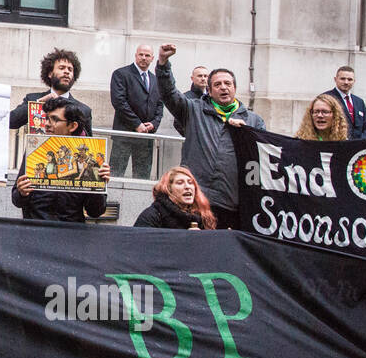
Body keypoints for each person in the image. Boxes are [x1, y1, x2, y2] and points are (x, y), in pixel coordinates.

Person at [156, 44, 265, 230]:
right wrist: (163, 64)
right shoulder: (193, 110)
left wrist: (247, 134)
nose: (223, 88)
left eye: (227, 84)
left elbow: (262, 158)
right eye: (217, 84)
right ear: (209, 90)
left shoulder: (253, 121)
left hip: (230, 204)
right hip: (195, 201)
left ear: (235, 88)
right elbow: (169, 94)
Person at [12, 98, 109, 223]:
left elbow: (95, 212)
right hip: (35, 231)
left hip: (71, 235)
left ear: (73, 126)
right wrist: (21, 192)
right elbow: (16, 200)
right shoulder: (35, 151)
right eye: (46, 118)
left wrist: (99, 186)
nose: (47, 123)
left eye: (55, 119)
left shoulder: (91, 157)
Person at [109, 44, 163, 177]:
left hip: (146, 137)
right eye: (141, 55)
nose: (144, 58)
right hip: (124, 134)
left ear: (152, 58)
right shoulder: (121, 74)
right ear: (136, 55)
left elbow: (160, 105)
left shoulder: (156, 80)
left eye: (147, 55)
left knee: (142, 177)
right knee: (116, 173)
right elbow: (119, 102)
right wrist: (136, 124)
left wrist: (154, 123)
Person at [9, 48, 86, 129]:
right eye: (62, 68)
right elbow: (11, 122)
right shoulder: (32, 99)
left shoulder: (83, 110)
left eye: (70, 69)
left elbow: (88, 140)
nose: (67, 72)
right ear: (50, 73)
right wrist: (37, 104)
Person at [133, 166, 217, 230]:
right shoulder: (152, 215)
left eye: (190, 182)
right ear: (168, 190)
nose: (187, 187)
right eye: (180, 183)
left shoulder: (203, 216)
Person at [324, 66, 366, 140]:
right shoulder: (326, 98)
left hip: (358, 147)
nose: (346, 82)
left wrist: (362, 142)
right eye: (342, 79)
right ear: (335, 79)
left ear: (354, 81)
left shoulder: (359, 102)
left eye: (349, 79)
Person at [172, 65, 208, 135]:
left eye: (205, 76)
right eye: (200, 76)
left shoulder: (213, 97)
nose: (203, 78)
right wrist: (192, 137)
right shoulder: (185, 97)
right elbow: (177, 123)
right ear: (192, 78)